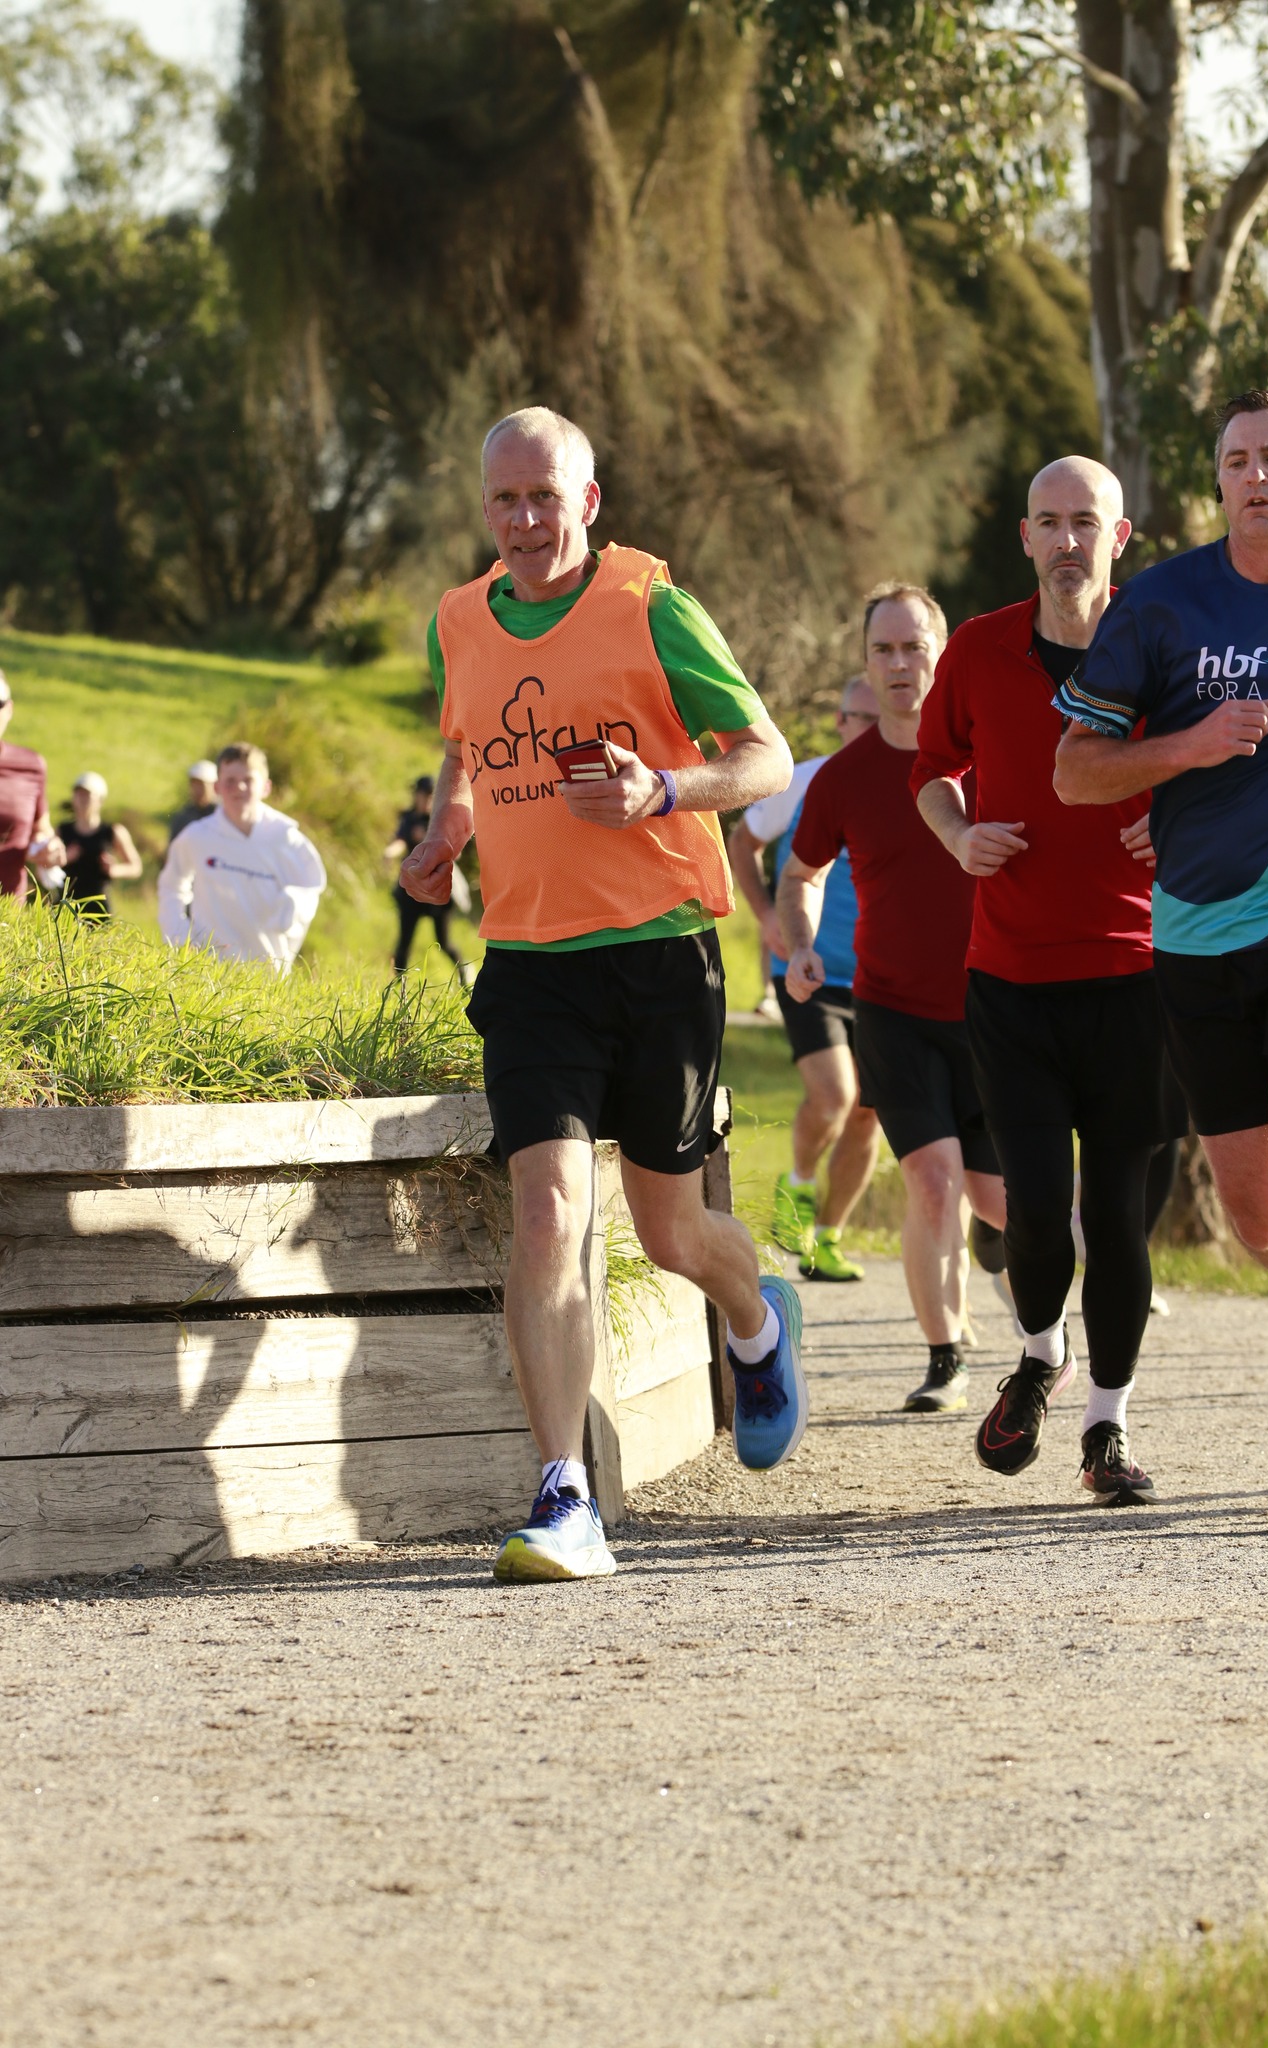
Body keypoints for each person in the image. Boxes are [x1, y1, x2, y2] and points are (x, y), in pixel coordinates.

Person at [404, 405, 801, 1584]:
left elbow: (767, 756)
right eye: (504, 501)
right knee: (548, 1213)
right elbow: (471, 741)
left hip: (659, 953)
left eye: (546, 498)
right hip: (527, 961)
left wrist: (662, 790)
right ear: (486, 511)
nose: (526, 521)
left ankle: (757, 1319)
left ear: (588, 500)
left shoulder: (651, 607)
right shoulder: (459, 619)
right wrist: (445, 831)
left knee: (672, 1226)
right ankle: (563, 1490)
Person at [1053, 388, 1268, 1536]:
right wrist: (1186, 745)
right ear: (1218, 480)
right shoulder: (1164, 603)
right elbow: (1073, 773)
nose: (1258, 476)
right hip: (1199, 937)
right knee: (1260, 1216)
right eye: (1237, 459)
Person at [914, 456, 1174, 1508]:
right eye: (1051, 523)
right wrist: (958, 833)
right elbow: (931, 769)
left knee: (1116, 1219)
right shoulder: (977, 650)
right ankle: (1035, 1355)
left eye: (1088, 523)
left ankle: (1104, 1433)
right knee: (1033, 1207)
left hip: (1138, 979)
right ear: (1026, 536)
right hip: (1011, 980)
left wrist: (1186, 821)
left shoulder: (1165, 648)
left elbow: (1228, 762)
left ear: (1120, 540)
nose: (1069, 541)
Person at [777, 583, 1008, 1414]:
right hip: (891, 1010)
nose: (901, 665)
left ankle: (996, 1238)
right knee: (932, 1181)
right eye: (885, 651)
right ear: (866, 664)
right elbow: (801, 873)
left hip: (995, 1007)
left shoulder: (996, 754)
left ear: (942, 654)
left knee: (995, 1200)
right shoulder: (841, 778)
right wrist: (799, 944)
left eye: (915, 648)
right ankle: (944, 1355)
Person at [728, 676, 882, 1280]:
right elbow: (743, 843)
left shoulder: (915, 780)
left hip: (882, 975)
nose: (867, 729)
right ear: (840, 720)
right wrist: (768, 915)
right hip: (807, 966)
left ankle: (829, 1238)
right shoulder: (805, 779)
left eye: (878, 719)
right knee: (836, 1095)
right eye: (858, 718)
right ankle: (796, 1186)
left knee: (871, 1109)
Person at [158, 742, 326, 973]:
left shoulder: (285, 837)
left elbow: (312, 886)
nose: (239, 787)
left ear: (266, 787)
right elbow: (171, 886)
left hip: (266, 974)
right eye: (230, 781)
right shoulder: (197, 836)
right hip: (206, 971)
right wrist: (178, 934)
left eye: (248, 780)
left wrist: (293, 905)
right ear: (217, 787)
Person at [385, 774, 473, 982]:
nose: (425, 800)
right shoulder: (408, 818)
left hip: (438, 891)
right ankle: (399, 987)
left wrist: (429, 841)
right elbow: (399, 841)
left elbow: (456, 851)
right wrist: (389, 853)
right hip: (411, 890)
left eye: (429, 796)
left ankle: (465, 977)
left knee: (443, 941)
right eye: (422, 795)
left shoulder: (441, 820)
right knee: (404, 941)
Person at [0, 670, 57, 898]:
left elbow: (40, 829)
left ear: (10, 709)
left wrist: (48, 847)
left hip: (7, 919)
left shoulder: (31, 765)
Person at [55, 773, 142, 918]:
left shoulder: (113, 832)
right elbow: (44, 868)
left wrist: (114, 869)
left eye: (87, 795)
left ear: (100, 800)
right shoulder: (61, 831)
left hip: (99, 910)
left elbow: (136, 867)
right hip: (65, 906)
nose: (82, 800)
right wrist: (63, 858)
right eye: (78, 794)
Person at [168, 760, 219, 844]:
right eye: (194, 785)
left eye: (202, 785)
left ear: (215, 786)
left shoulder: (223, 816)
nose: (197, 790)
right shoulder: (182, 818)